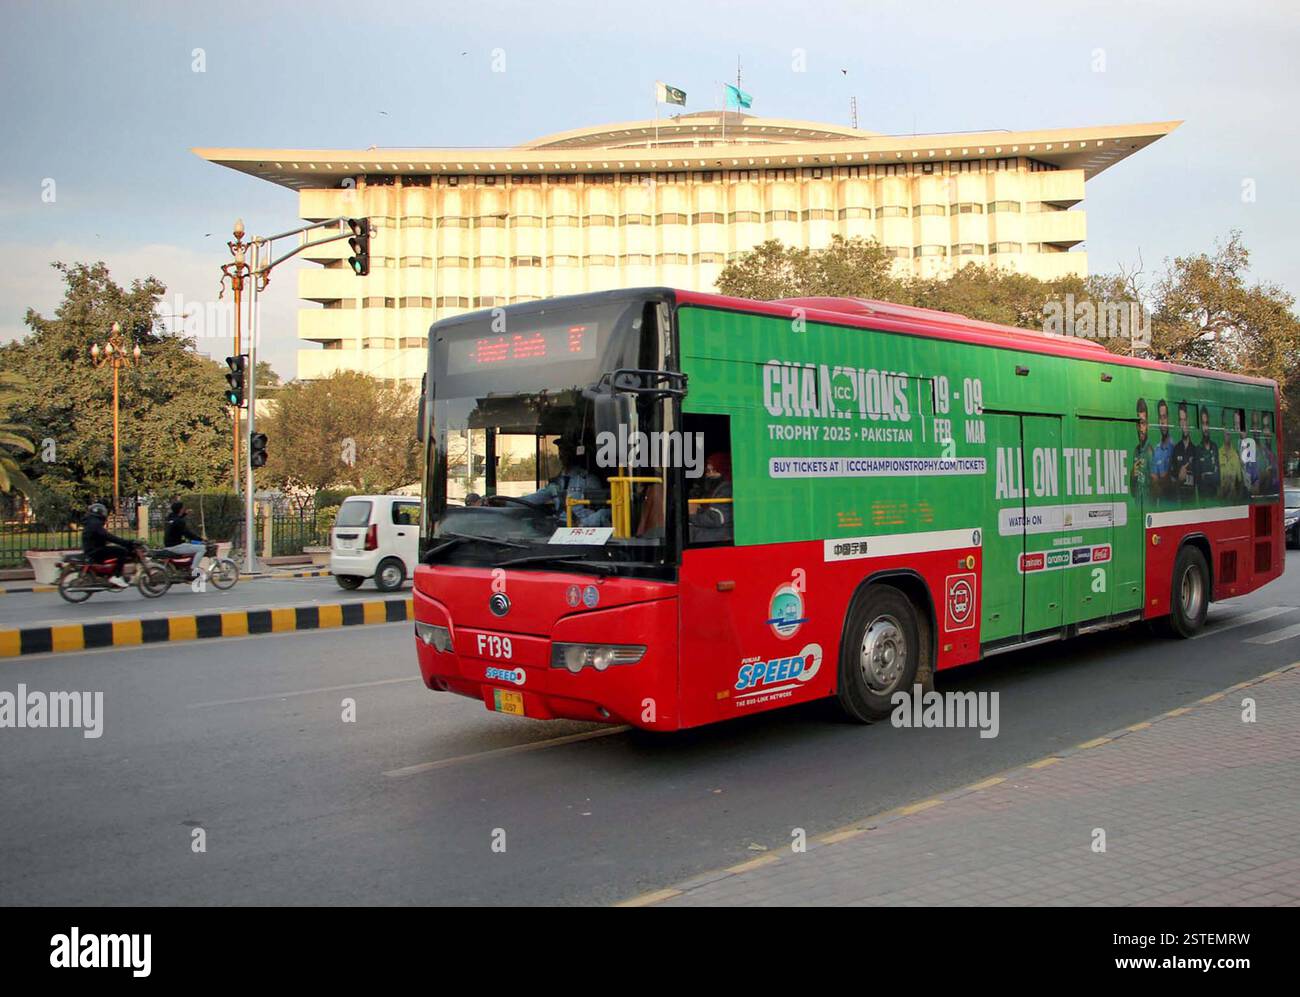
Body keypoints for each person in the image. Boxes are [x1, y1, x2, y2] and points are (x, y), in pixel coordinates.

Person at [516, 434, 611, 527]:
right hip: (560, 528)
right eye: (560, 450)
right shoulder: (556, 482)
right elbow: (533, 499)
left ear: (576, 453)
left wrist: (583, 523)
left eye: (567, 450)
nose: (562, 454)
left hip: (583, 530)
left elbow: (602, 510)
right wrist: (505, 501)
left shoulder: (588, 480)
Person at [81, 502, 138, 588]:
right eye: (103, 512)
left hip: (93, 548)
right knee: (121, 551)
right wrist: (126, 542)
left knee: (116, 550)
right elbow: (108, 536)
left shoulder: (92, 522)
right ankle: (117, 576)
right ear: (99, 513)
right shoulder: (95, 523)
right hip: (95, 551)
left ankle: (112, 574)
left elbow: (101, 537)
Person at [688, 452, 733, 542]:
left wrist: (691, 516)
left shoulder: (726, 488)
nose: (710, 474)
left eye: (715, 470)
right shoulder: (712, 488)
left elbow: (716, 518)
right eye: (708, 471)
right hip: (715, 530)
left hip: (721, 534)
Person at [163, 501, 207, 580]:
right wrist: (201, 540)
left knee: (191, 545)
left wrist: (185, 514)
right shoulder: (180, 522)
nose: (185, 509)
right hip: (176, 546)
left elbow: (177, 518)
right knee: (202, 548)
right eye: (183, 508)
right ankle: (193, 569)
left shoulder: (170, 517)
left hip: (168, 545)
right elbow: (188, 534)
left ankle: (187, 567)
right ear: (180, 509)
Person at [1171, 401, 1197, 504]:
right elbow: (1171, 481)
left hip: (1193, 503)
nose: (1184, 424)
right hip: (1179, 502)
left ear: (1189, 421)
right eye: (1181, 421)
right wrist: (1179, 479)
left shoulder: (1195, 450)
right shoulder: (1176, 449)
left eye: (1185, 420)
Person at [1193, 406, 1220, 499]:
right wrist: (1212, 474)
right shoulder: (1197, 450)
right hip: (1203, 499)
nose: (1205, 428)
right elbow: (1198, 479)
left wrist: (1206, 475)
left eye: (1207, 423)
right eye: (1203, 424)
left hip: (1215, 497)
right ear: (1200, 427)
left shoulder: (1215, 447)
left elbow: (1218, 478)